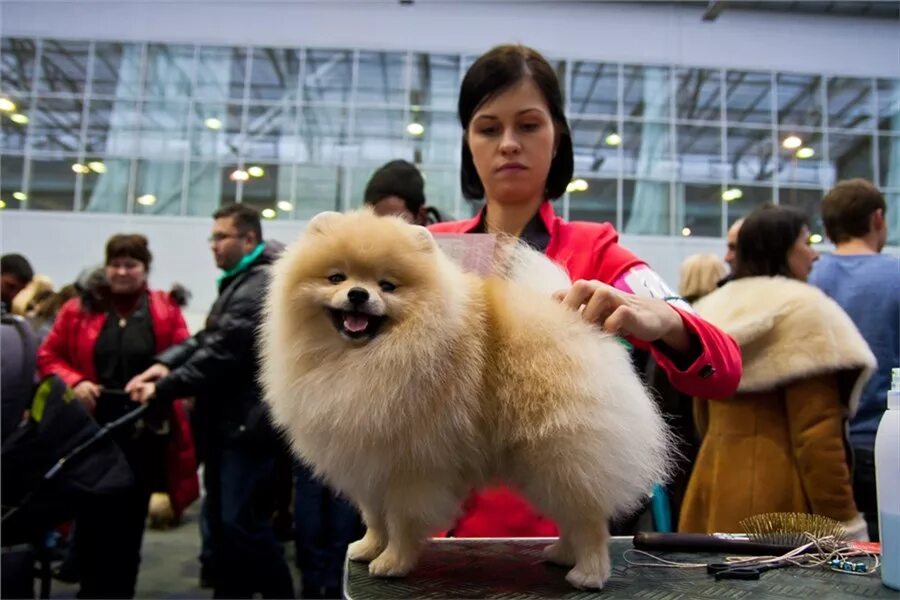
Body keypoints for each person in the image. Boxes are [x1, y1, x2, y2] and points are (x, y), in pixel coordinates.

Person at [427, 43, 742, 537]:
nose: (508, 142)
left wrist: (665, 321)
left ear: (557, 139)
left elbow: (724, 370)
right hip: (433, 530)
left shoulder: (597, 250)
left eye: (528, 125)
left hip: (557, 537)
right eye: (488, 128)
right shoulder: (429, 254)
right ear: (469, 142)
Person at [126, 204, 294, 599]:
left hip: (247, 429)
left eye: (221, 237)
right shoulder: (240, 280)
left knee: (242, 525)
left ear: (248, 238)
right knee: (225, 525)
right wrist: (163, 366)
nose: (213, 246)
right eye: (213, 237)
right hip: (230, 425)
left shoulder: (260, 283)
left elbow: (222, 351)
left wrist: (163, 387)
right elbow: (207, 339)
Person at [679, 204, 874, 538]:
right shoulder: (804, 312)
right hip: (780, 505)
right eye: (805, 241)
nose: (814, 255)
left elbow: (701, 415)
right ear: (781, 247)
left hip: (712, 487)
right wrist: (844, 522)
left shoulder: (712, 310)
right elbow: (817, 435)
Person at [36, 234, 197, 598]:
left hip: (142, 438)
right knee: (90, 527)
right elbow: (48, 356)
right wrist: (74, 381)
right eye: (116, 265)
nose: (122, 272)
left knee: (127, 533)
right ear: (106, 267)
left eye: (131, 265)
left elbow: (183, 356)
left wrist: (162, 379)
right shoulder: (78, 309)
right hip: (90, 436)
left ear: (145, 269)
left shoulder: (163, 308)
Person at [809, 179, 900, 541]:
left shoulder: (809, 280)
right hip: (887, 439)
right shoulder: (896, 277)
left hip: (825, 448)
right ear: (878, 218)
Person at [363, 159, 444, 225]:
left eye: (394, 225)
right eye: (375, 225)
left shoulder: (452, 240)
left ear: (421, 217)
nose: (383, 233)